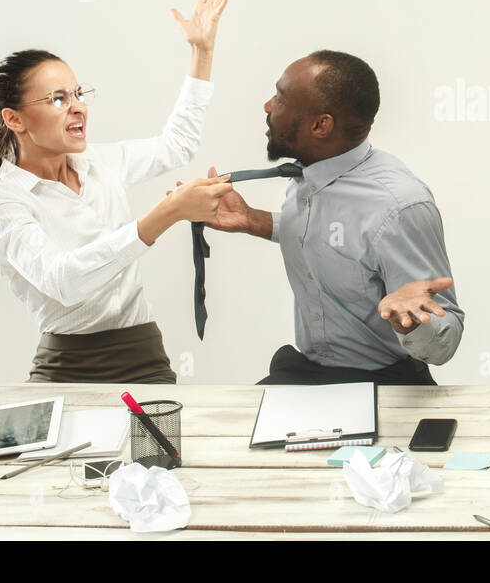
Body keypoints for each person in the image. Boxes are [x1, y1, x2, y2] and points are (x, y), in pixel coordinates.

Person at [0, 0, 234, 383]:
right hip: (66, 369)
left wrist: (202, 51)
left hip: (143, 356)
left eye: (78, 94)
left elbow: (178, 143)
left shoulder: (99, 163)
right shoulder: (1, 202)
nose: (78, 108)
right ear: (13, 119)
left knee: (167, 450)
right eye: (58, 99)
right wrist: (166, 214)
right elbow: (64, 281)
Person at [198, 50, 465, 386]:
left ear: (320, 125)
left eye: (280, 100)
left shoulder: (399, 205)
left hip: (385, 390)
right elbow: (341, 237)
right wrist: (253, 220)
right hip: (311, 375)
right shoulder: (314, 170)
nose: (267, 106)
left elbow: (446, 340)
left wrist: (412, 322)